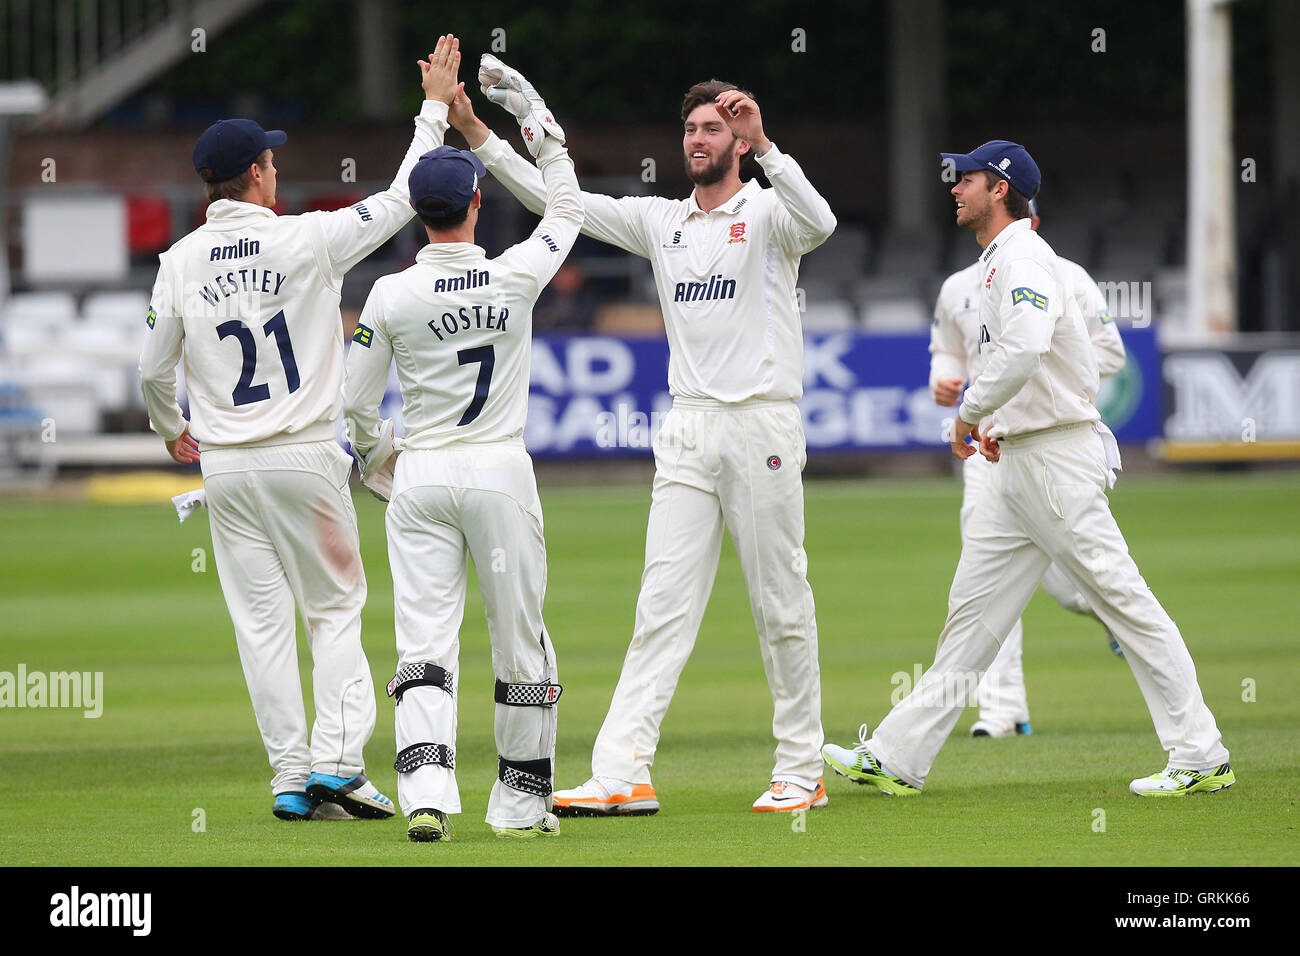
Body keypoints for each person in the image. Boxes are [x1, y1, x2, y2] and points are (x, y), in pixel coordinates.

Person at [451, 61, 836, 814]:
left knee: (780, 600)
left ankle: (802, 767)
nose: (698, 139)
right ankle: (623, 768)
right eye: (690, 129)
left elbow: (819, 223)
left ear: (738, 137)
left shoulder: (768, 213)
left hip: (760, 420)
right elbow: (560, 203)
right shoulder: (662, 222)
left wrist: (767, 146)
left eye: (713, 128)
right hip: (688, 425)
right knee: (660, 604)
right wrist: (481, 135)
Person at [823, 141, 1234, 798]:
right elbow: (1012, 360)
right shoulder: (992, 265)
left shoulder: (1025, 259)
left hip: (1054, 459)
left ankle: (1200, 751)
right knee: (973, 618)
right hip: (1014, 458)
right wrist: (993, 423)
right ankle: (898, 755)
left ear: (1000, 189)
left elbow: (1026, 347)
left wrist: (968, 415)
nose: (954, 187)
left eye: (969, 179)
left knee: (1123, 600)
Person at [139, 35, 463, 822]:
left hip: (227, 469)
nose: (276, 171)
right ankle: (340, 769)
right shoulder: (308, 236)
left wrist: (171, 428)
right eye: (271, 163)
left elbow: (151, 369)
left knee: (261, 627)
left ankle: (290, 777)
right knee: (335, 612)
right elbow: (403, 196)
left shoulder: (179, 260)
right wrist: (432, 108)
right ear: (256, 174)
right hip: (307, 457)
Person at [342, 55, 581, 841]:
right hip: (499, 473)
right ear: (477, 201)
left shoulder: (389, 294)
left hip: (423, 474)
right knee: (521, 639)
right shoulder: (515, 275)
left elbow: (353, 405)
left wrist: (383, 465)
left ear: (417, 210)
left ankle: (425, 797)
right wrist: (525, 117)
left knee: (423, 642)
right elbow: (568, 206)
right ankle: (518, 804)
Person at [930, 195, 1127, 739]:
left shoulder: (1066, 277)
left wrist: (1044, 369)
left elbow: (1109, 352)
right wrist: (944, 382)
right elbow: (946, 351)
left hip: (1046, 442)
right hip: (986, 448)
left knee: (1071, 584)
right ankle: (1000, 711)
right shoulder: (957, 288)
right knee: (983, 576)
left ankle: (1118, 616)